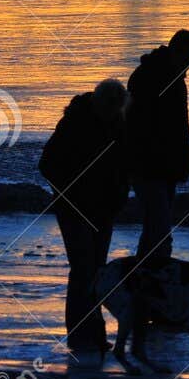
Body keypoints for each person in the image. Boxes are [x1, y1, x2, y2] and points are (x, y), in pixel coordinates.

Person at [39, 78, 130, 355]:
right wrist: (71, 193)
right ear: (100, 104)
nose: (113, 113)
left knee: (95, 271)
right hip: (75, 210)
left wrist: (119, 196)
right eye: (110, 109)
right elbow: (47, 165)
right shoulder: (74, 123)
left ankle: (94, 333)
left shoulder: (117, 124)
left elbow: (123, 165)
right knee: (83, 270)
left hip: (103, 209)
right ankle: (80, 335)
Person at [126, 28, 189, 262]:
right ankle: (149, 275)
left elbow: (178, 128)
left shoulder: (173, 79)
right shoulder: (148, 77)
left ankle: (148, 275)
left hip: (164, 167)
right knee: (158, 228)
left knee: (157, 227)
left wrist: (181, 162)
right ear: (176, 51)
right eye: (188, 59)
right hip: (149, 167)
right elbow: (139, 126)